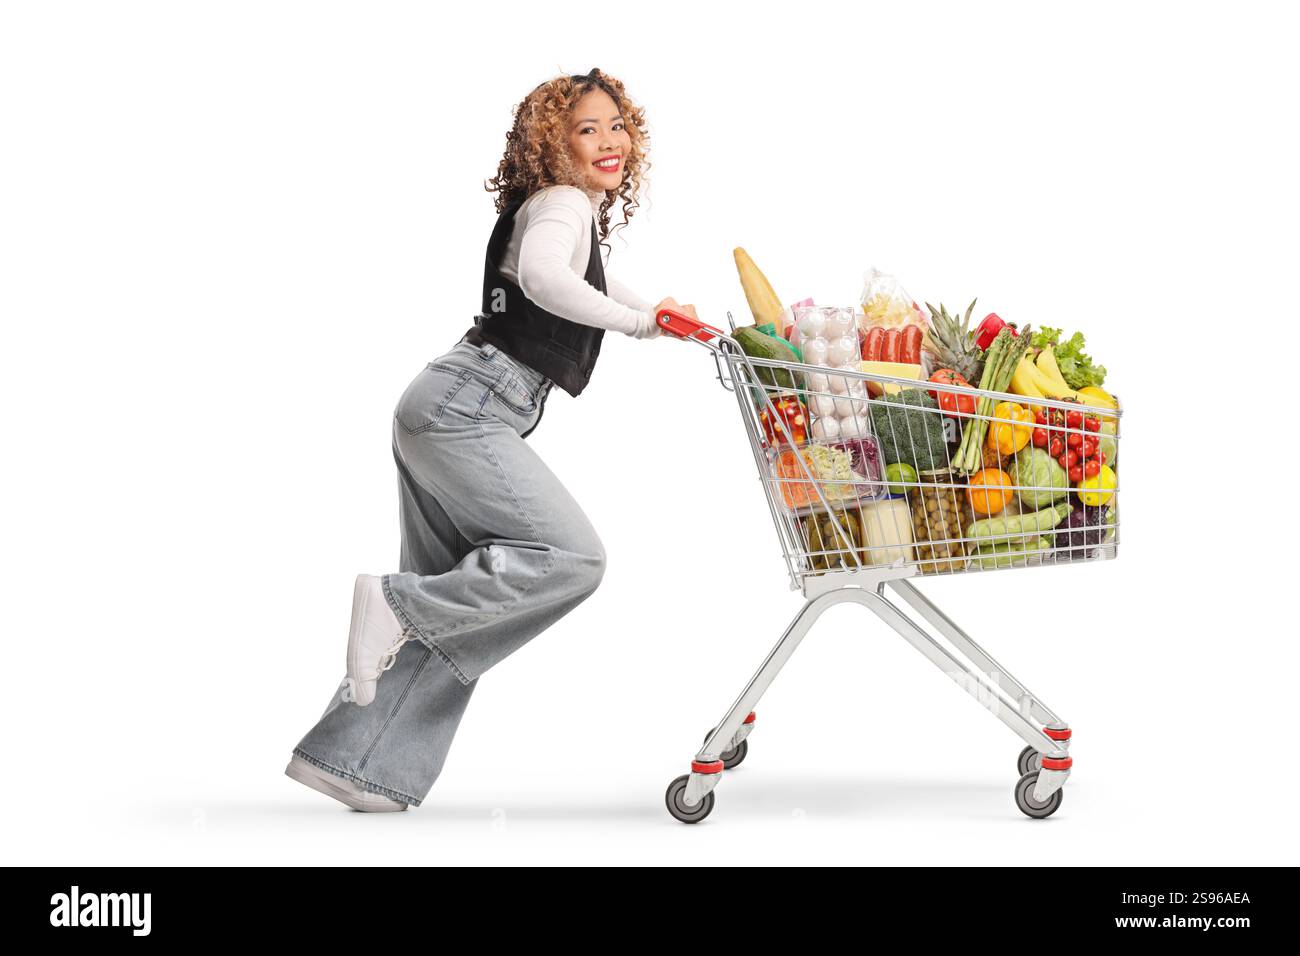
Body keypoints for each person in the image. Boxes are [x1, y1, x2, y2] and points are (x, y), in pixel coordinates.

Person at [285, 68, 696, 811]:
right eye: (585, 130)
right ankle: (396, 603)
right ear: (553, 145)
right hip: (465, 409)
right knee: (571, 558)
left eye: (616, 125)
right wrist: (636, 324)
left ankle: (353, 763)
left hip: (443, 406)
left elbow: (582, 277)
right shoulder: (565, 202)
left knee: (472, 601)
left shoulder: (556, 207)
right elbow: (544, 278)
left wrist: (653, 311)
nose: (608, 142)